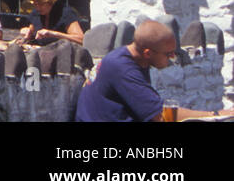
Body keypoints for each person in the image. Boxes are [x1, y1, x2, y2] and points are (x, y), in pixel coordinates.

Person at [76, 19, 234, 121]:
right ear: (148, 53)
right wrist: (217, 114)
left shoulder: (130, 58)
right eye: (168, 54)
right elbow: (162, 116)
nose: (173, 58)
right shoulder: (123, 69)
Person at [19, 0, 84, 45]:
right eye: (35, 4)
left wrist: (55, 34)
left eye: (41, 4)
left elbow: (81, 39)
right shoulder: (36, 13)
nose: (38, 8)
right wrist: (27, 32)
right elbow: (31, 31)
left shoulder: (66, 13)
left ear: (51, 1)